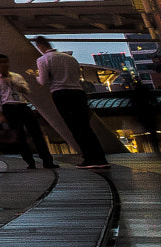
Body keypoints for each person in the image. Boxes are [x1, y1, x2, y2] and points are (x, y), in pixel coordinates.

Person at [34, 37, 111, 170]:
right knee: (85, 127)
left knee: (75, 128)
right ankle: (100, 158)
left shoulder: (43, 60)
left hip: (61, 94)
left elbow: (43, 81)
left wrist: (34, 76)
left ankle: (89, 158)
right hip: (79, 93)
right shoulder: (70, 58)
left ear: (39, 45)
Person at [0, 54, 55, 170]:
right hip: (9, 108)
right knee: (19, 136)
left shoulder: (16, 76)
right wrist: (1, 114)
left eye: (5, 62)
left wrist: (16, 84)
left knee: (37, 134)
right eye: (0, 62)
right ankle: (29, 162)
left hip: (23, 106)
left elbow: (27, 90)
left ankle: (47, 161)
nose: (4, 64)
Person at [125, 79, 158, 155]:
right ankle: (155, 146)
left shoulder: (135, 93)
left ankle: (151, 147)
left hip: (142, 113)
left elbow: (132, 103)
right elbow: (154, 100)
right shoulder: (146, 91)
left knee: (146, 130)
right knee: (153, 131)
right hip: (150, 112)